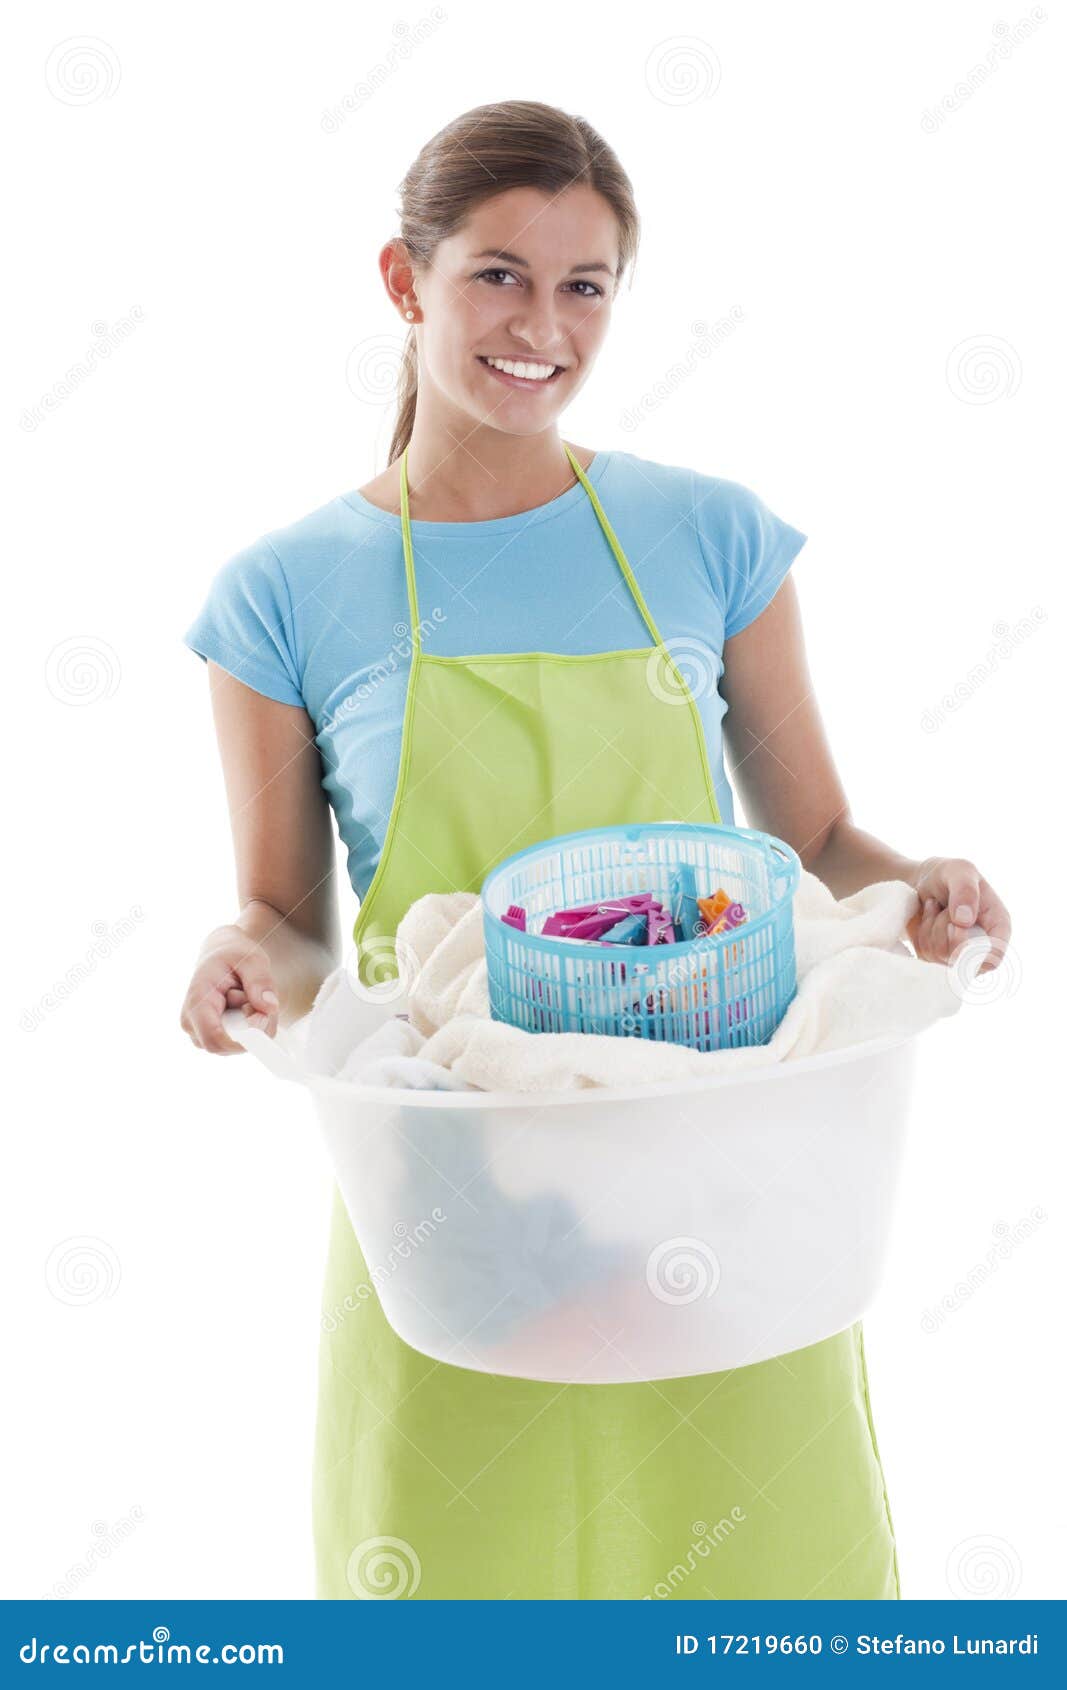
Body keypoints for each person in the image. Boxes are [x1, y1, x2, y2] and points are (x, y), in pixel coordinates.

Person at [180, 100, 1011, 1600]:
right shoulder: (285, 594)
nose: (541, 325)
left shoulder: (709, 538)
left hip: (716, 1159)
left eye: (586, 285)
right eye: (498, 273)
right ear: (402, 280)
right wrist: (244, 954)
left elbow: (816, 835)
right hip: (449, 1175)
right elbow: (288, 917)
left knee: (761, 1573)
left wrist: (919, 888)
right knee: (458, 1576)